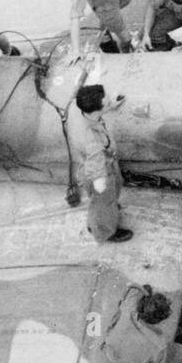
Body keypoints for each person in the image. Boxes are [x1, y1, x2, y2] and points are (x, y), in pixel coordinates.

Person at [70, 83, 130, 243]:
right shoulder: (90, 138)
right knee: (104, 201)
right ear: (98, 108)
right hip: (100, 169)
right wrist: (100, 182)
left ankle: (98, 218)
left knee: (105, 198)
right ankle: (105, 232)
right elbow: (95, 164)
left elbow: (98, 110)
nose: (109, 99)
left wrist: (111, 105)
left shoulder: (86, 114)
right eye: (106, 99)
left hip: (102, 163)